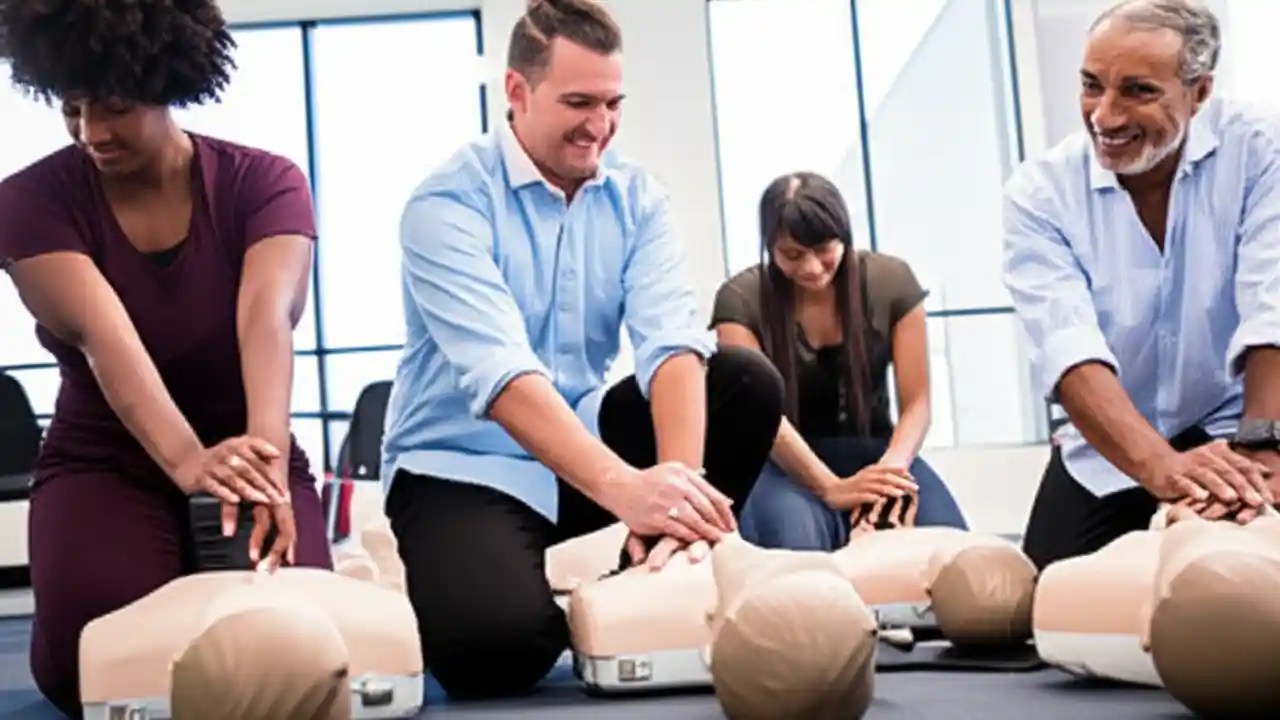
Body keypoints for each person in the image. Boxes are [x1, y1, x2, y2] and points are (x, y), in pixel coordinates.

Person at [380, 0, 784, 700]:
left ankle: (651, 573)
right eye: (577, 102)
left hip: (584, 443)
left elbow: (671, 347)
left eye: (611, 102)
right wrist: (629, 491)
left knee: (743, 381)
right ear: (517, 91)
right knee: (492, 652)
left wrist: (674, 492)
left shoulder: (638, 200)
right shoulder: (445, 206)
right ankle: (542, 603)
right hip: (462, 466)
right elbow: (502, 376)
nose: (599, 125)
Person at [0, 2, 332, 715]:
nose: (92, 132)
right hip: (105, 459)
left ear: (166, 82)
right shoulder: (27, 202)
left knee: (294, 652)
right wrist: (189, 466)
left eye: (113, 108)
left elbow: (266, 317)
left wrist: (266, 460)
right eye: (72, 109)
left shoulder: (265, 182)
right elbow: (102, 336)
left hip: (250, 448)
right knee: (94, 667)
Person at [1002, 0, 1280, 572]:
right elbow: (1069, 349)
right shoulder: (1040, 195)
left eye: (1137, 91)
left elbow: (1271, 303)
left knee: (1248, 579)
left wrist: (1262, 447)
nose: (1105, 115)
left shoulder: (1260, 151)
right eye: (1091, 85)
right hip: (1111, 439)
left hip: (1239, 417)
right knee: (1041, 604)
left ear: (1199, 92)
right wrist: (1163, 468)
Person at [711, 172, 967, 552]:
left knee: (953, 553)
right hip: (783, 463)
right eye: (792, 255)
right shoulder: (741, 301)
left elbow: (918, 402)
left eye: (824, 249)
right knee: (796, 549)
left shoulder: (891, 282)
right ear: (770, 248)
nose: (812, 267)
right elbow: (765, 421)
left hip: (878, 454)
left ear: (844, 236)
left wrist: (890, 476)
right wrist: (830, 487)